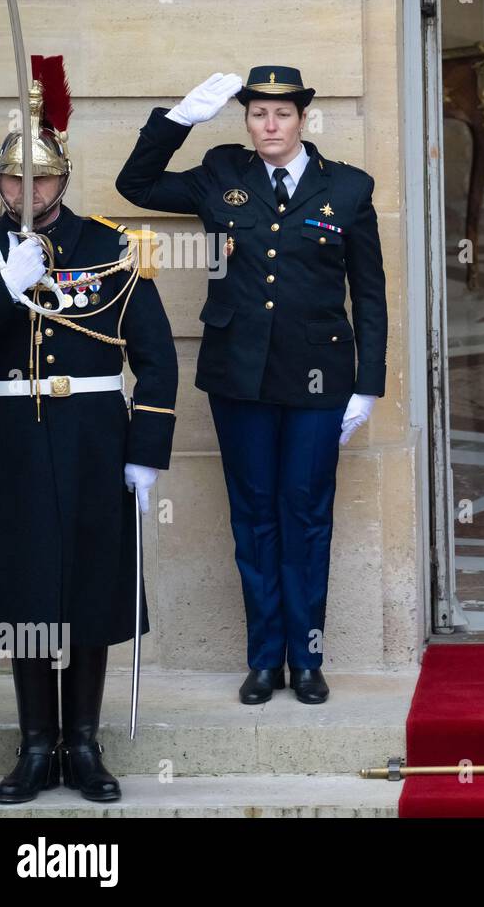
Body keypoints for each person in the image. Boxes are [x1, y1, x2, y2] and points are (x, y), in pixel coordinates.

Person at [115, 66, 388, 705]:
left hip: (320, 381)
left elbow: (369, 294)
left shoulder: (346, 188)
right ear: (245, 120)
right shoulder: (222, 175)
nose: (270, 125)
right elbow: (137, 184)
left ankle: (309, 660)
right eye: (258, 113)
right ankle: (265, 659)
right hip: (239, 377)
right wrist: (178, 119)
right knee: (255, 515)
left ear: (301, 119)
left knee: (306, 513)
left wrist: (367, 383)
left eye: (282, 113)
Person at [0, 56, 178, 803]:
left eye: (44, 180)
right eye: (16, 181)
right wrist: (4, 289)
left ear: (63, 179)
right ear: (0, 182)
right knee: (25, 590)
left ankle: (82, 746)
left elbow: (155, 358)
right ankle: (33, 746)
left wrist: (146, 453)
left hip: (94, 435)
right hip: (9, 438)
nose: (29, 193)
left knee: (90, 584)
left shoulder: (111, 246)